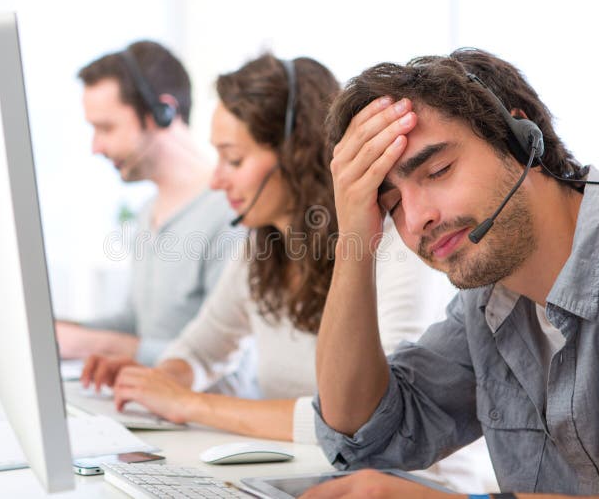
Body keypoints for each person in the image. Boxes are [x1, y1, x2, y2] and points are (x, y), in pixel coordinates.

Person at [81, 53, 497, 493]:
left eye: (233, 160)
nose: (217, 181)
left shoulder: (399, 240)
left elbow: (373, 417)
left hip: (409, 484)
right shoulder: (262, 247)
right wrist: (158, 381)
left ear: (293, 156)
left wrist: (188, 404)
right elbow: (202, 349)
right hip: (305, 474)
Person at [305, 48, 599, 498]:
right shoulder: (488, 305)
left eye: (438, 170)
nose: (416, 219)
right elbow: (363, 436)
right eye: (392, 205)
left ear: (522, 140)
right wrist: (355, 239)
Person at [0, 40, 241, 365]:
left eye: (106, 127)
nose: (96, 147)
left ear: (163, 113)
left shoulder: (232, 212)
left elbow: (225, 363)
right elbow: (134, 325)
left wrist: (88, 344)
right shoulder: (149, 212)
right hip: (146, 393)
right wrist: (30, 330)